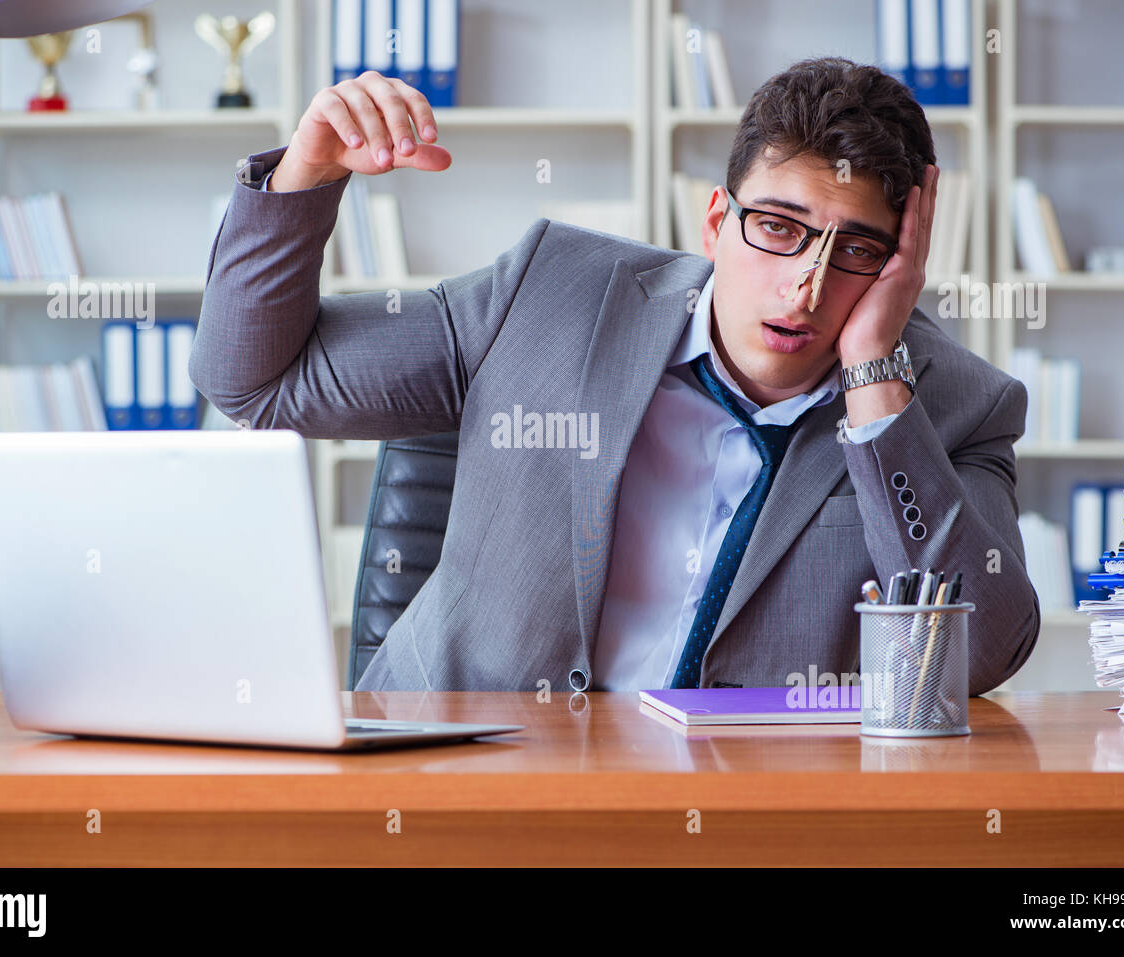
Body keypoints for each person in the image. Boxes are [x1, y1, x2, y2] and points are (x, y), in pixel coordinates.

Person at [190, 56, 1039, 693]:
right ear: (716, 221)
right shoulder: (550, 291)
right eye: (778, 227)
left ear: (903, 263)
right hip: (452, 788)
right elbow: (258, 380)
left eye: (857, 248)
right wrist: (307, 176)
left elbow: (980, 655)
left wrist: (875, 378)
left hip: (734, 824)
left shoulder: (960, 404)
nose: (806, 285)